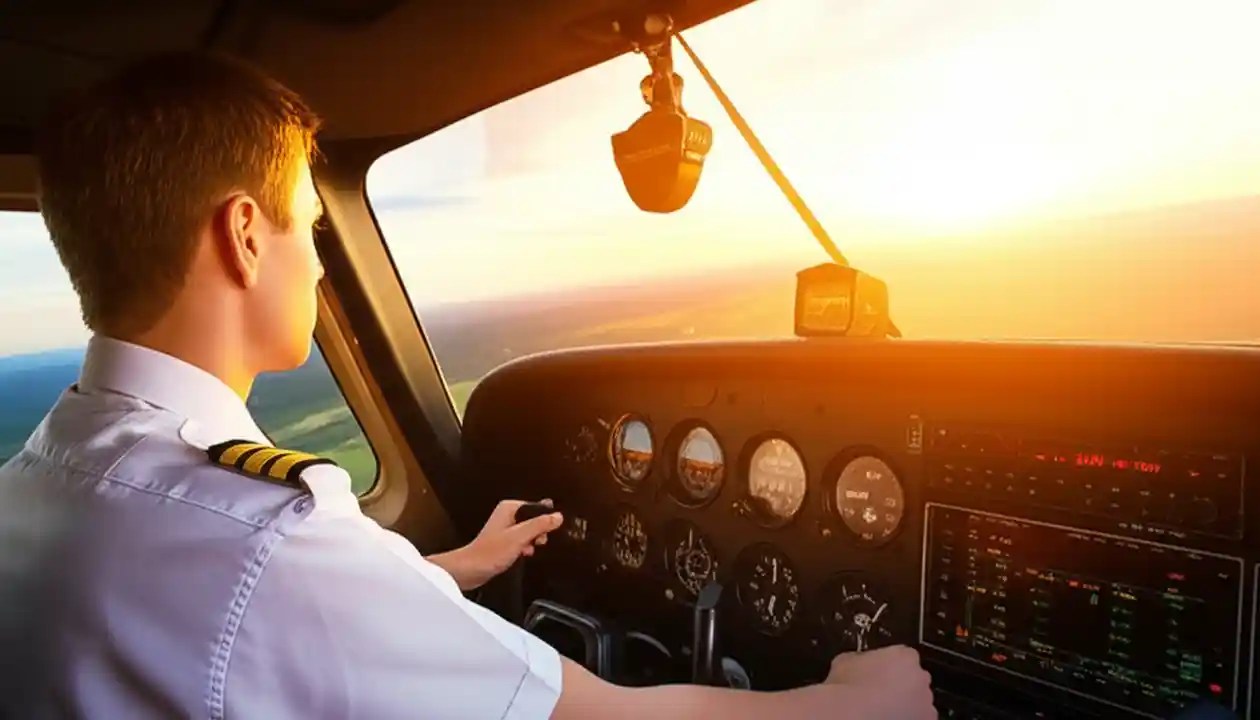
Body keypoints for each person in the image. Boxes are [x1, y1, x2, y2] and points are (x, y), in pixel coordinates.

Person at [0, 52, 935, 719]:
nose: (320, 268)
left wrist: (448, 571)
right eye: (305, 228)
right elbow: (601, 714)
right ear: (245, 235)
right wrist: (855, 701)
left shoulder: (36, 481)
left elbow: (234, 627)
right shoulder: (261, 536)